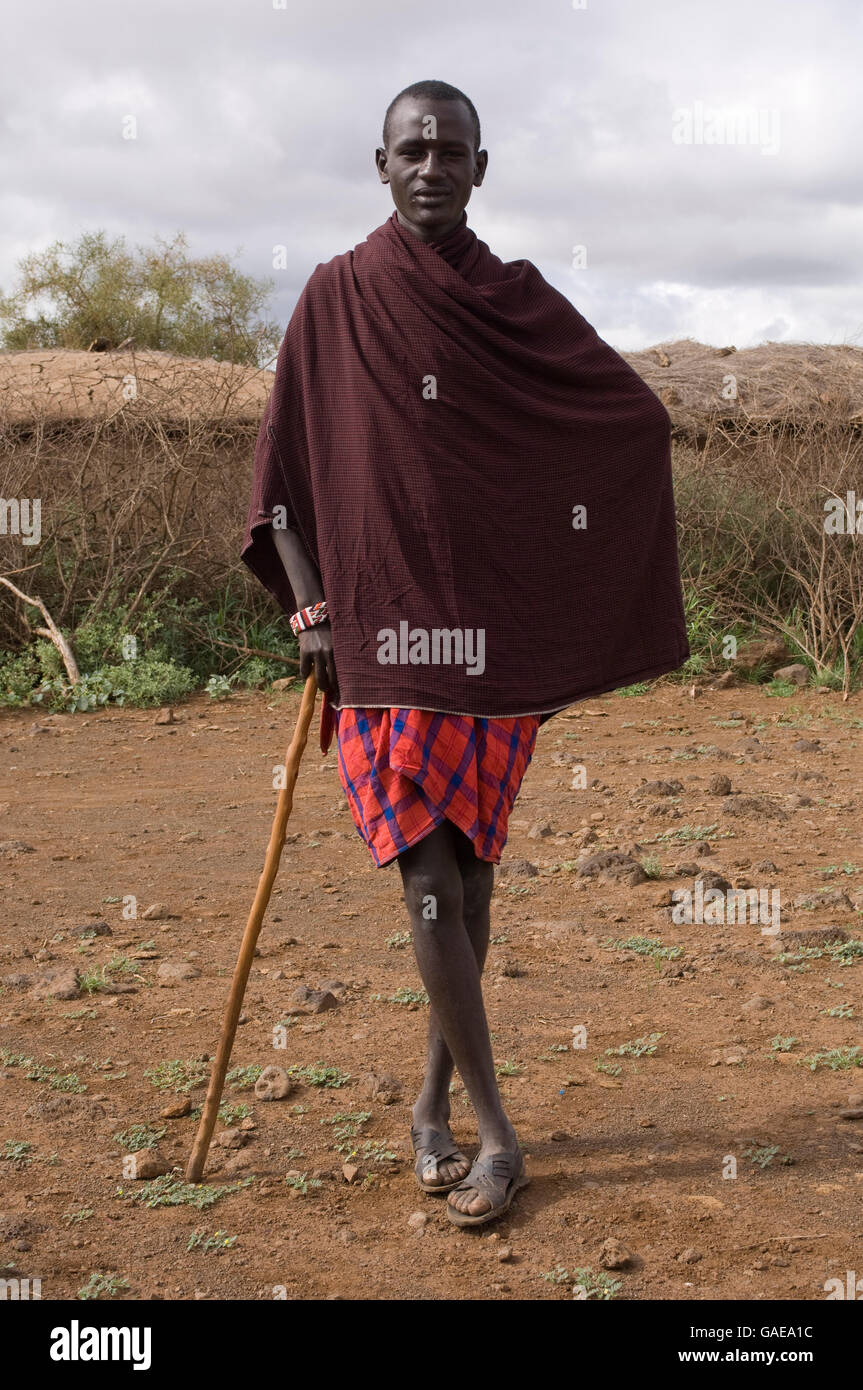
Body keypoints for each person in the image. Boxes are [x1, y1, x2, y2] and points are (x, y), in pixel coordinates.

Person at [242, 79, 689, 1226]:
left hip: (486, 641)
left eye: (452, 151)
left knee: (472, 877)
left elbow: (625, 421)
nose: (431, 165)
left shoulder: (514, 301)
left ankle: (429, 1105)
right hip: (383, 637)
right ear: (377, 163)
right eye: (412, 149)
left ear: (481, 171)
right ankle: (498, 1132)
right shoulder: (335, 300)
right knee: (426, 879)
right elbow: (281, 488)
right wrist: (308, 611)